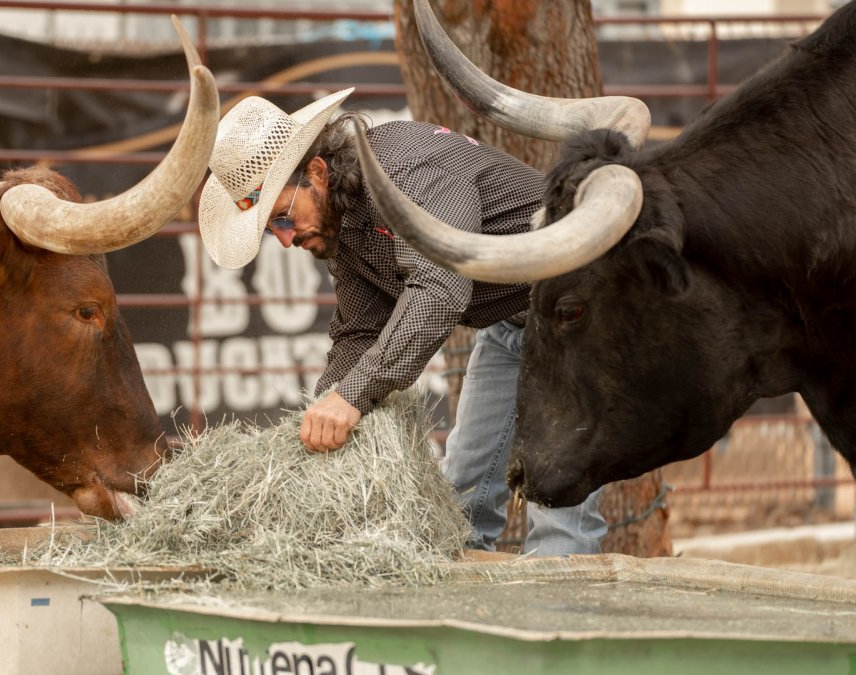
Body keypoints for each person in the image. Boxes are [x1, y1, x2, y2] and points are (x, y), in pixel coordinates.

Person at [196, 88, 606, 556]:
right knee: (461, 506)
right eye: (273, 231)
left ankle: (561, 624)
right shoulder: (339, 220)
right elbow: (359, 331)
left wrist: (352, 397)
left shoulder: (408, 171)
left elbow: (438, 289)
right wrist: (317, 421)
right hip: (512, 326)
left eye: (284, 218)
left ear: (316, 172)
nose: (287, 240)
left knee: (559, 514)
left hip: (578, 319)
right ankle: (464, 625)